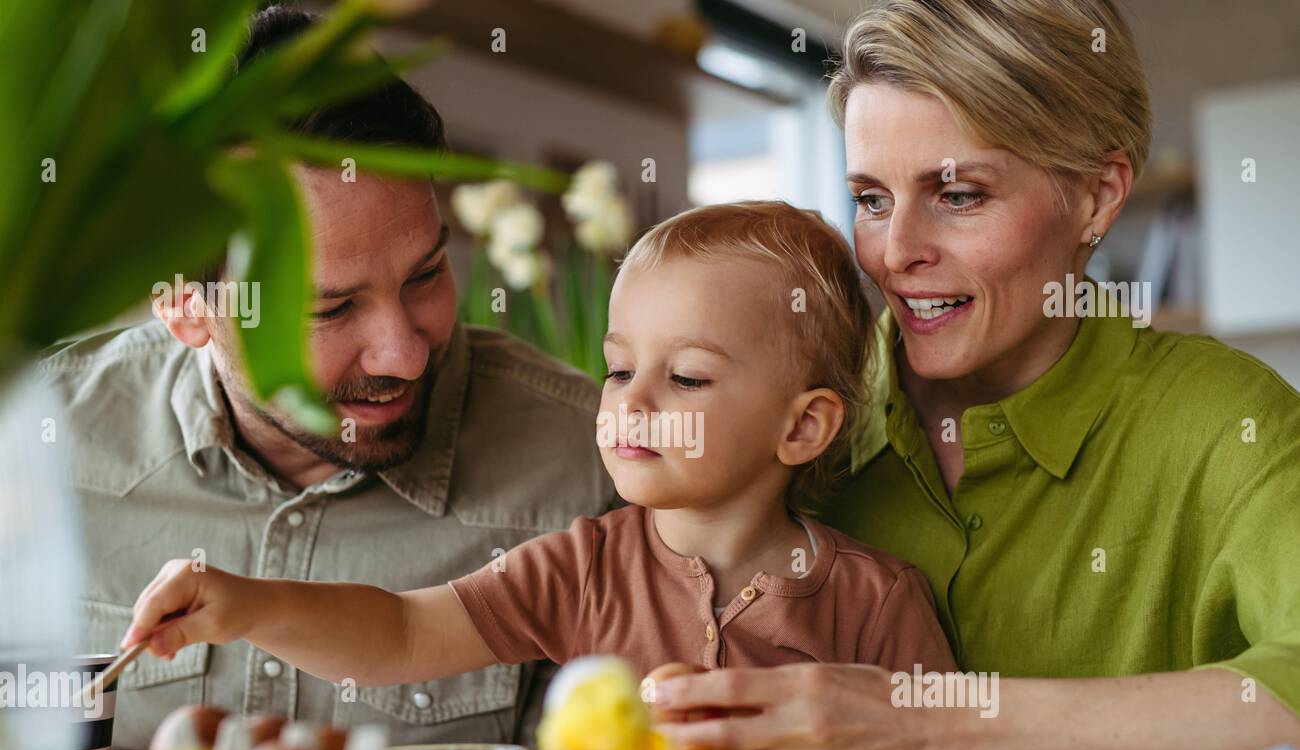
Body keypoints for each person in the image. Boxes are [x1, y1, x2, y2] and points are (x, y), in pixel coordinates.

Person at [651, 0, 1300, 750]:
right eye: (872, 198)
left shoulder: (1229, 424)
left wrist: (926, 727)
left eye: (959, 197)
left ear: (1097, 197)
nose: (894, 254)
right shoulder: (789, 420)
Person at [39, 5, 614, 750]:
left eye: (427, 273)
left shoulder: (586, 464)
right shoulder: (32, 445)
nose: (405, 355)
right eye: (331, 307)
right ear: (186, 307)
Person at [120, 202, 956, 689]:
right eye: (620, 367)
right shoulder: (580, 569)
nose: (631, 401)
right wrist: (248, 605)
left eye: (688, 379)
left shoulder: (878, 603)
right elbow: (404, 632)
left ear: (802, 427)